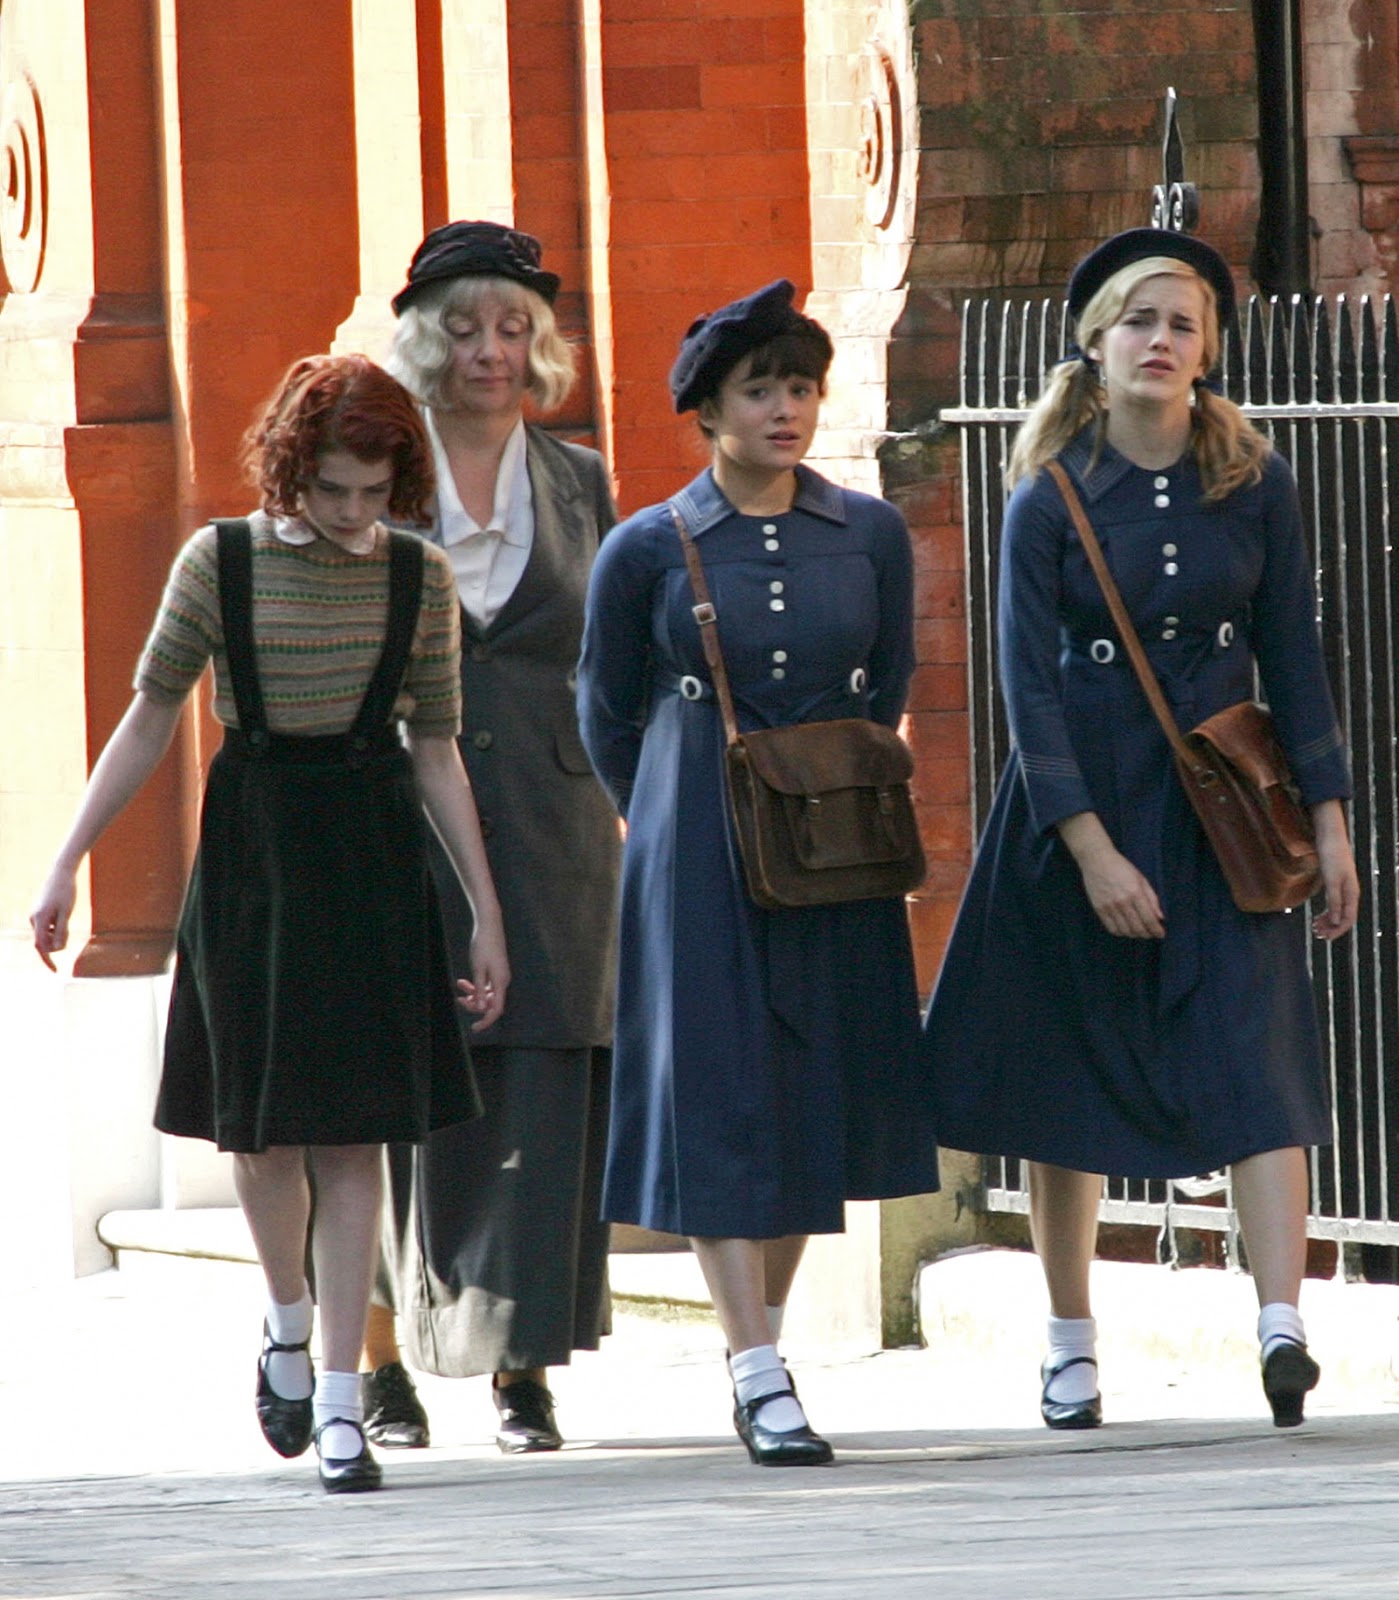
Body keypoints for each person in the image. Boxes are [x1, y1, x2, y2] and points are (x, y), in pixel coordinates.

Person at [30, 354, 509, 1493]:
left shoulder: (419, 578)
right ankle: (285, 1318)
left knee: (352, 1136)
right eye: (331, 489)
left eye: (373, 492)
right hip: (255, 853)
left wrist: (484, 912)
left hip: (372, 856)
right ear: (290, 471)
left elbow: (437, 752)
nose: (352, 514)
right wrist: (65, 859)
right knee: (258, 1135)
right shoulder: (222, 562)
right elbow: (148, 717)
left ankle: (341, 1400)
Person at [921, 228, 1360, 1431]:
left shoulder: (1254, 480)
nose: (1159, 340)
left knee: (1255, 1051)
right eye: (1138, 320)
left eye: (1182, 323)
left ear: (1206, 350)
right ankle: (1069, 1339)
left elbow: (1297, 661)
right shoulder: (1047, 492)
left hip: (1222, 808)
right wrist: (1090, 848)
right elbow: (1028, 688)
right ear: (1095, 342)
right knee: (1067, 1072)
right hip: (1084, 806)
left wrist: (1327, 821)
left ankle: (1282, 1328)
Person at [577, 280, 940, 1466]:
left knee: (809, 1090)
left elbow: (885, 682)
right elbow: (602, 709)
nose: (785, 410)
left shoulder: (868, 531)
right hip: (692, 842)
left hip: (831, 837)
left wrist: (814, 784)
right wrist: (666, 815)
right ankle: (753, 1363)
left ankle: (760, 1343)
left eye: (799, 388)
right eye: (759, 390)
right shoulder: (646, 544)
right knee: (722, 1088)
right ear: (707, 409)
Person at [358, 220, 621, 1455]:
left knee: (539, 1081)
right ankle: (376, 1359)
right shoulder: (370, 472)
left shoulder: (579, 478)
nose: (491, 350)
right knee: (394, 1076)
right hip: (399, 815)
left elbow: (613, 656)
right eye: (464, 326)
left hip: (556, 819)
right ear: (424, 339)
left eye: (513, 327)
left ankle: (521, 1363)